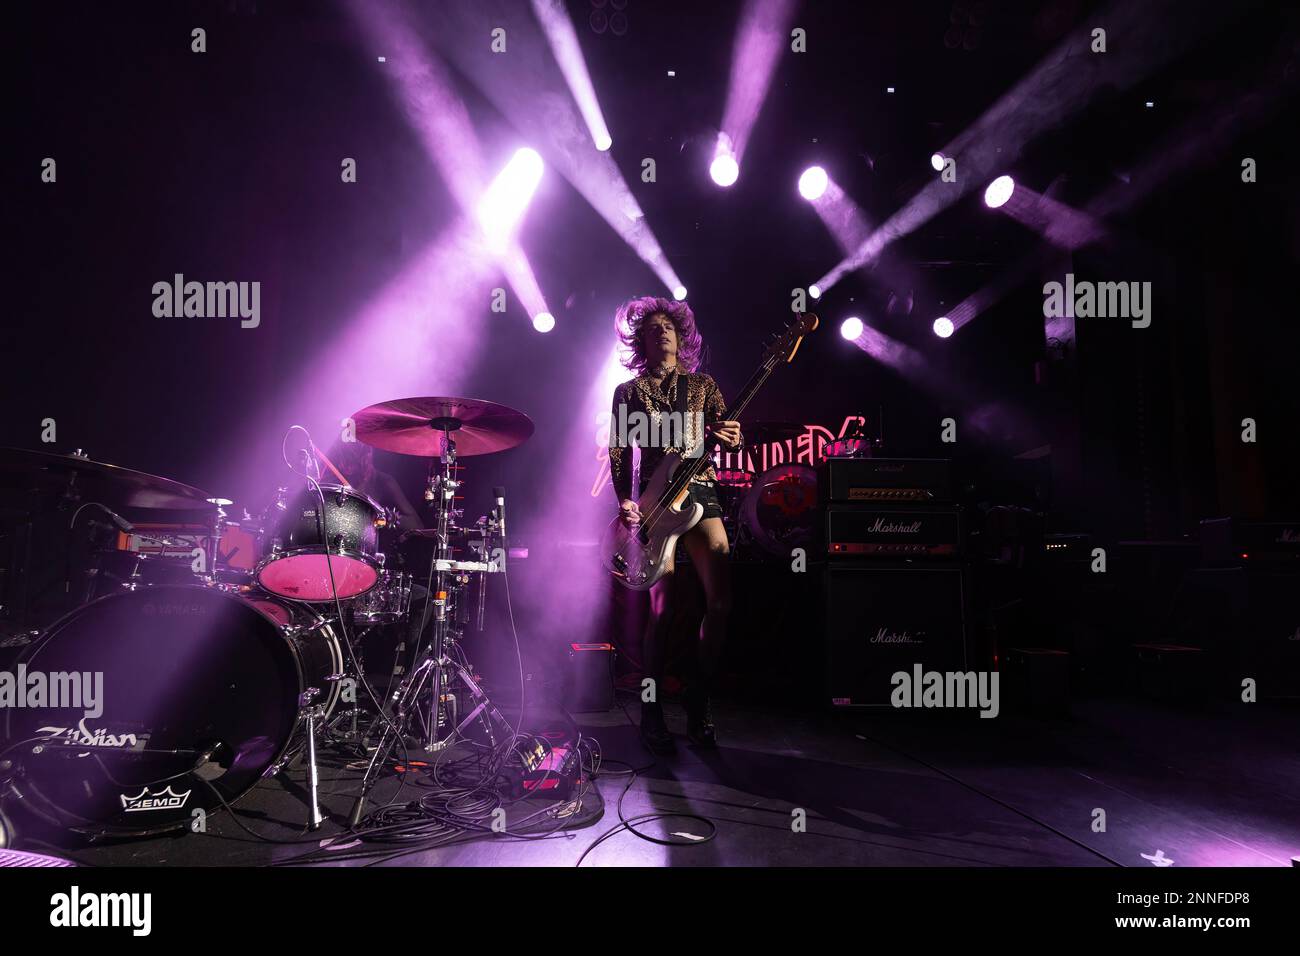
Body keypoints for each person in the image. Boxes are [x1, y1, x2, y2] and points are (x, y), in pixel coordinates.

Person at [607, 296, 743, 752]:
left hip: (701, 491)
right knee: (662, 613)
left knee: (720, 604)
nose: (662, 331)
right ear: (641, 341)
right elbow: (620, 453)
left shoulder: (703, 386)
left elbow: (730, 433)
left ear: (681, 338)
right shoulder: (628, 392)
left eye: (669, 326)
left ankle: (698, 699)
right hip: (654, 501)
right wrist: (626, 502)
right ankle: (650, 711)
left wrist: (732, 434)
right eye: (653, 328)